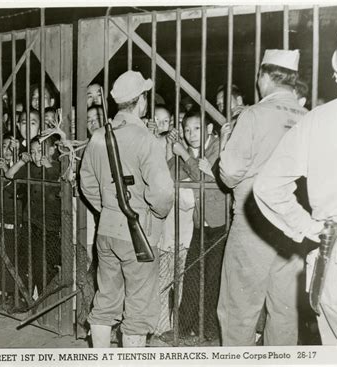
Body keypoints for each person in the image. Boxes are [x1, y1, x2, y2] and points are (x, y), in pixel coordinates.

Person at [254, 32, 337, 345]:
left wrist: (310, 227)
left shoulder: (319, 120)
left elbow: (266, 185)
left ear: (336, 75)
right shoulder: (305, 114)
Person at [217, 49, 307, 346]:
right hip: (294, 229)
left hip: (253, 223)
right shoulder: (309, 118)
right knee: (284, 314)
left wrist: (225, 145)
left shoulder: (253, 115)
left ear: (264, 77)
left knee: (239, 314)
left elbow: (229, 174)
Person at [80, 71, 174, 347]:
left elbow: (86, 182)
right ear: (141, 101)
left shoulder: (99, 136)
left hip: (106, 230)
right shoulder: (146, 139)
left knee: (105, 302)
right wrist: (153, 214)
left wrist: (108, 209)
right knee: (138, 308)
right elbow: (163, 192)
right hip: (138, 234)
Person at [167, 110, 226, 340]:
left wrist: (185, 155)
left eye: (197, 128)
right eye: (187, 129)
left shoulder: (219, 146)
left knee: (212, 280)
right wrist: (175, 150)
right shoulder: (194, 150)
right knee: (192, 275)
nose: (191, 134)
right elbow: (172, 173)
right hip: (201, 223)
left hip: (220, 224)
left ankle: (209, 330)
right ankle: (183, 329)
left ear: (210, 129)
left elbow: (206, 182)